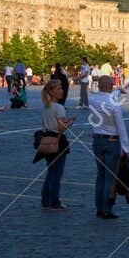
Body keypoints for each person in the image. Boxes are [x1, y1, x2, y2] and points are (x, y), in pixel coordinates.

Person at [88, 76, 129, 220]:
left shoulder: (92, 100)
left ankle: (99, 208)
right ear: (111, 86)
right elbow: (121, 127)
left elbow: (107, 95)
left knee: (100, 175)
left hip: (97, 140)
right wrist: (126, 148)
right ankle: (107, 209)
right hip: (112, 141)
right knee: (109, 177)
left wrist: (117, 91)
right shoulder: (114, 105)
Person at [36, 79, 74, 210]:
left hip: (47, 139)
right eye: (59, 89)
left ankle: (45, 200)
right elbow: (61, 128)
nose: (62, 91)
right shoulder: (59, 107)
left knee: (50, 172)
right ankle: (54, 201)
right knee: (56, 173)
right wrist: (70, 122)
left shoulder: (46, 107)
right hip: (58, 141)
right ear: (52, 92)